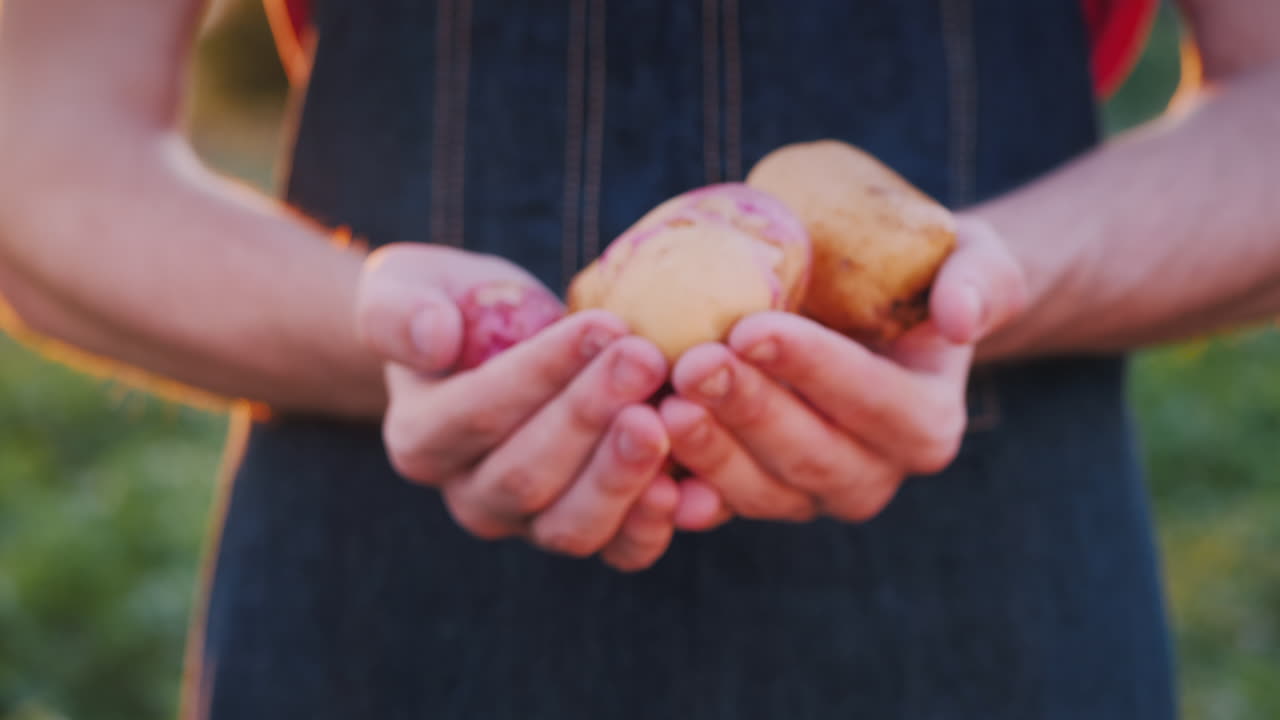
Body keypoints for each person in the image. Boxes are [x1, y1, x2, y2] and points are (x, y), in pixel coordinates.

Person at [1, 0, 1276, 717]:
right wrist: (377, 324)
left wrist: (976, 285)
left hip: (996, 601)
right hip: (381, 598)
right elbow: (37, 145)